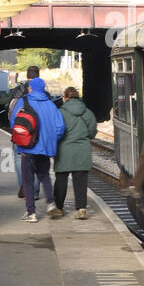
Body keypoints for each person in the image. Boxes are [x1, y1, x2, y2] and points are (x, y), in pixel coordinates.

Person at [9, 67, 64, 223]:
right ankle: (50, 203)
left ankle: (31, 212)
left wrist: (22, 137)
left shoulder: (23, 101)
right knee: (45, 176)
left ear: (31, 87)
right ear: (44, 88)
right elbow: (60, 127)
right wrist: (51, 139)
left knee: (27, 181)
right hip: (45, 148)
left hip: (28, 147)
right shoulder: (51, 105)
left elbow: (14, 123)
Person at [49, 86, 97, 220]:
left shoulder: (60, 113)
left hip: (64, 150)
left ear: (65, 98)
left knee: (61, 180)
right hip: (82, 149)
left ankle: (59, 208)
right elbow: (92, 131)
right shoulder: (87, 112)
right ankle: (82, 209)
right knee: (81, 180)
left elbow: (55, 131)